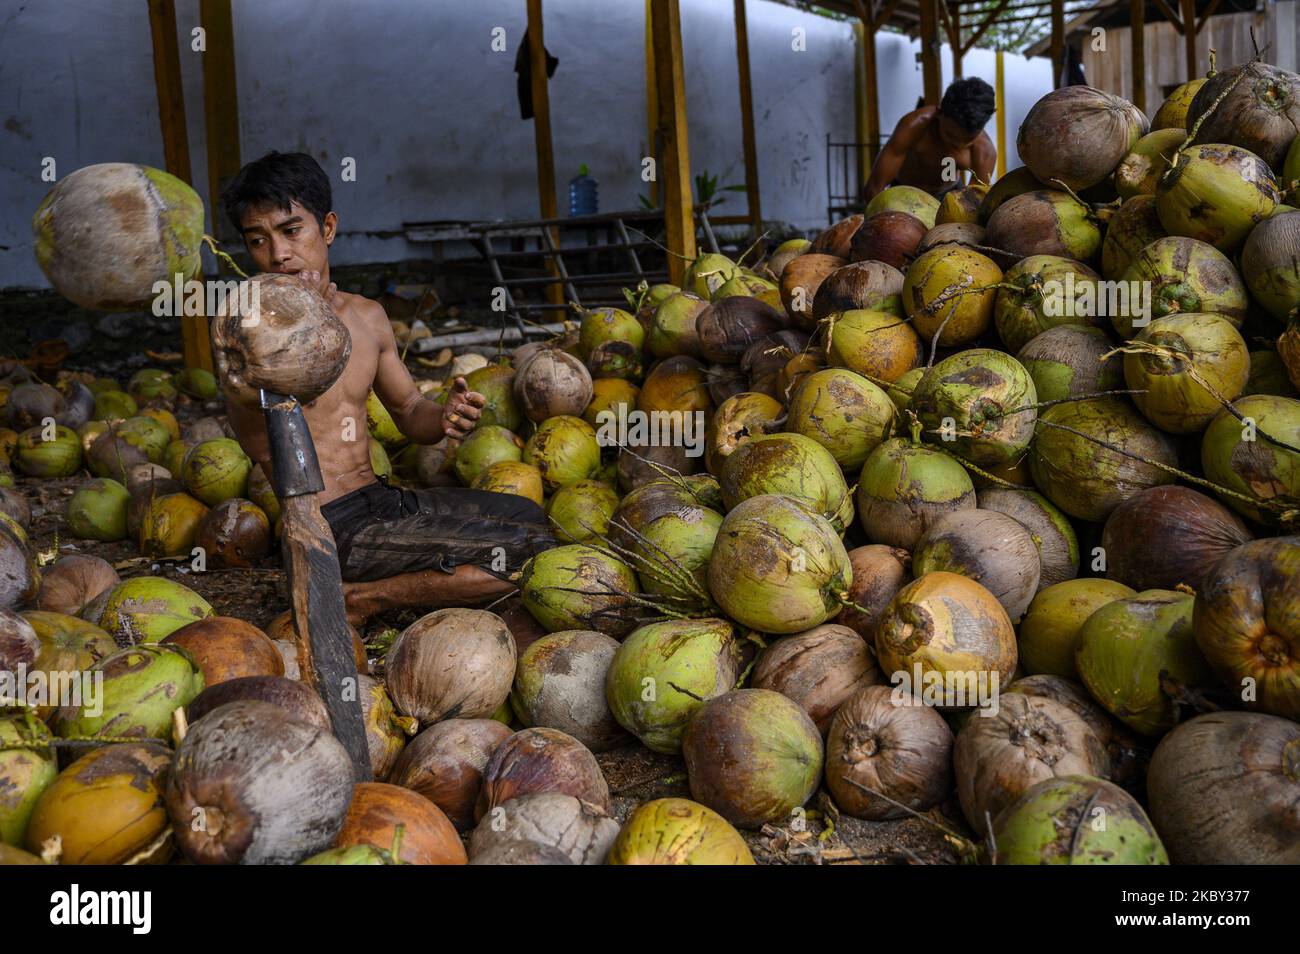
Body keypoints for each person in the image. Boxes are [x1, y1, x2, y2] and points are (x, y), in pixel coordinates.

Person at [217, 151, 555, 625]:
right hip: (325, 527)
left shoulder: (368, 317)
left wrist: (445, 414)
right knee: (528, 556)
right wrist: (255, 338)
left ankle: (385, 584)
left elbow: (412, 410)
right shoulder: (250, 332)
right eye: (258, 240)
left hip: (382, 501)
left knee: (532, 518)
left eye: (291, 231)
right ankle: (366, 599)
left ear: (327, 228)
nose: (278, 255)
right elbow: (252, 417)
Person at [861, 77, 997, 202]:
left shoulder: (984, 153)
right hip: (904, 191)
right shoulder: (914, 125)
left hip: (948, 195)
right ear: (939, 113)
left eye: (967, 141)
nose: (957, 145)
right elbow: (874, 187)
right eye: (950, 136)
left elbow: (975, 206)